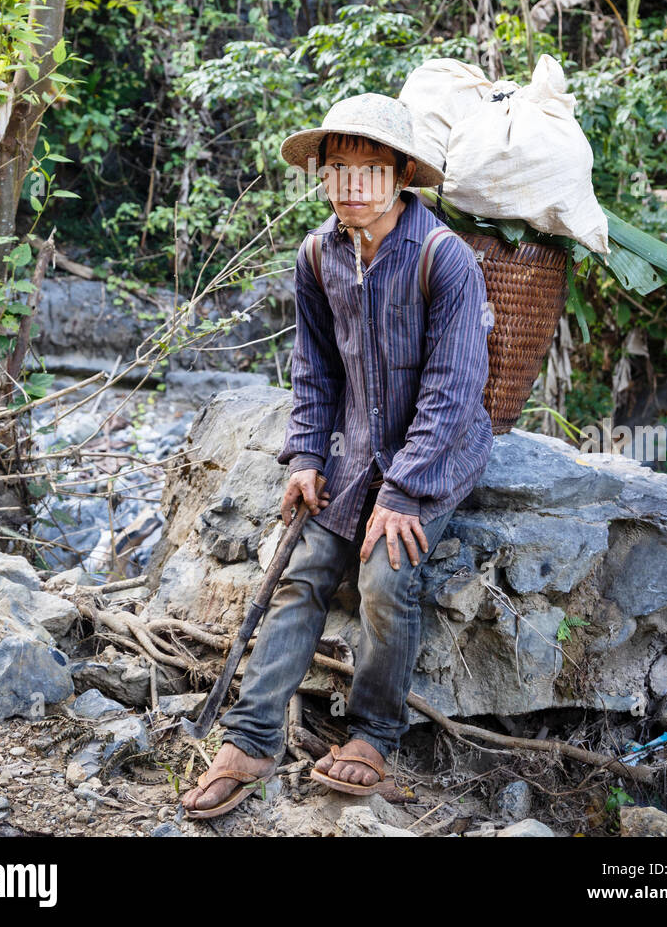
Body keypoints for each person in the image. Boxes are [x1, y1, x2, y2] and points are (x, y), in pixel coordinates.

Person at [181, 93, 493, 819]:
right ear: (323, 176)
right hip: (355, 450)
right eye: (339, 168)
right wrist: (304, 458)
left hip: (436, 456)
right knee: (302, 571)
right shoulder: (318, 253)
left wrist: (405, 491)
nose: (352, 184)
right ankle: (252, 739)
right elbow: (314, 366)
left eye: (370, 169)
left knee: (386, 578)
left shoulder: (445, 260)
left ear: (402, 176)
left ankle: (374, 736)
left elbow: (454, 389)